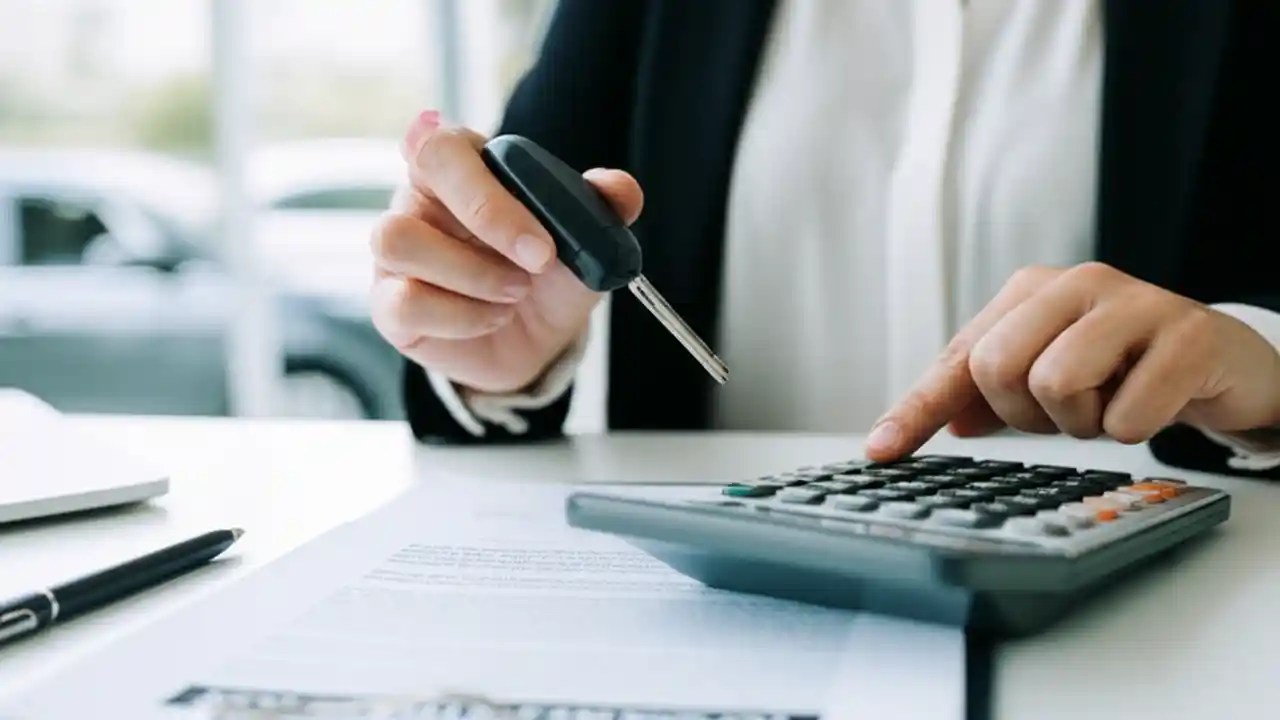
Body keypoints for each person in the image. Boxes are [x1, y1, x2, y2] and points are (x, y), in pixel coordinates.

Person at [370, 0, 1280, 478]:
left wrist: (1269, 365)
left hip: (1161, 639)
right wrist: (491, 343)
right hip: (727, 632)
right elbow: (513, 215)